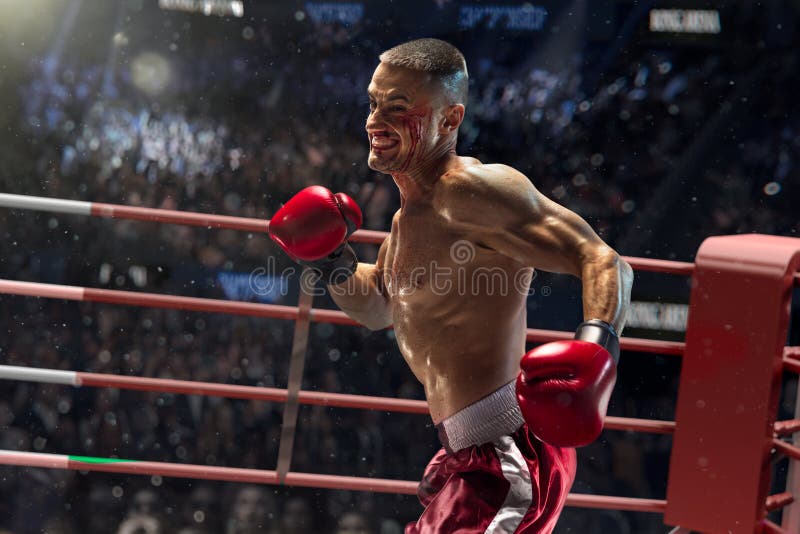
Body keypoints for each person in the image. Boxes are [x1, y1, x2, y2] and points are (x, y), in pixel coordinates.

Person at [269, 38, 633, 533]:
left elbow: (603, 260)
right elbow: (379, 307)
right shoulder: (407, 218)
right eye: (374, 103)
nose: (376, 122)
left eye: (399, 109)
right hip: (468, 451)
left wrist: (597, 349)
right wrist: (332, 260)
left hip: (509, 451)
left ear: (451, 119)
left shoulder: (469, 192)